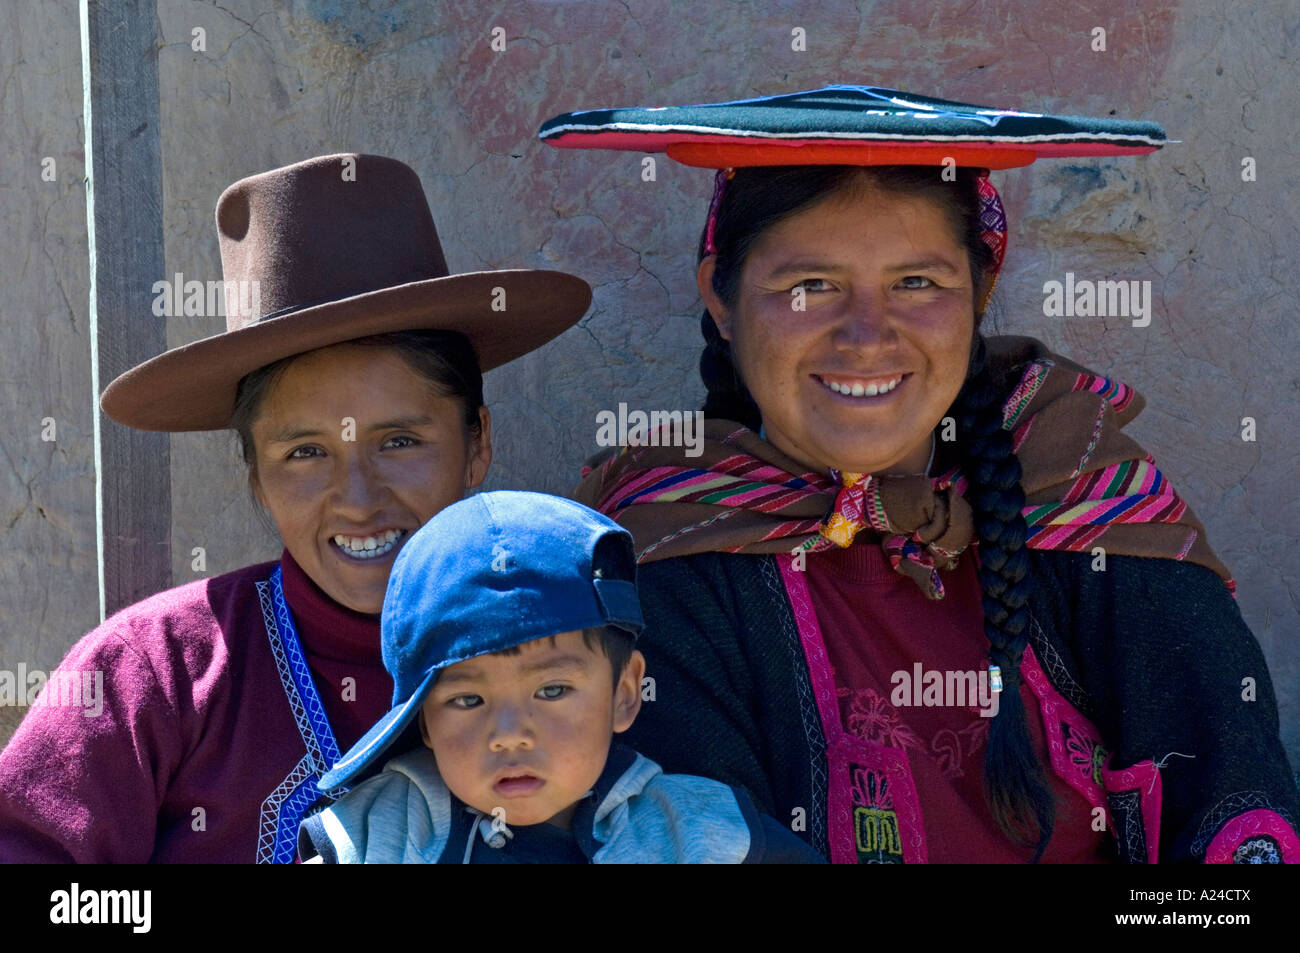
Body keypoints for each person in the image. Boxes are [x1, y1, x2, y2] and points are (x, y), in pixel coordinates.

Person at [545, 85, 1300, 863]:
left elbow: (1235, 820)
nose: (868, 337)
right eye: (811, 287)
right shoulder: (667, 553)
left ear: (980, 293)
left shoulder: (1081, 489)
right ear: (722, 298)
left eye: (917, 283)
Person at [0, 154, 592, 862]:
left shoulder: (573, 650)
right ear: (254, 472)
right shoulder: (152, 674)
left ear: (477, 442)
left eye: (400, 440)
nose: (359, 497)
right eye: (304, 453)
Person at [298, 490, 823, 863]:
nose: (509, 734)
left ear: (623, 693)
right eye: (466, 700)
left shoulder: (696, 832)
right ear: (423, 723)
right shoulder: (381, 834)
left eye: (552, 691)